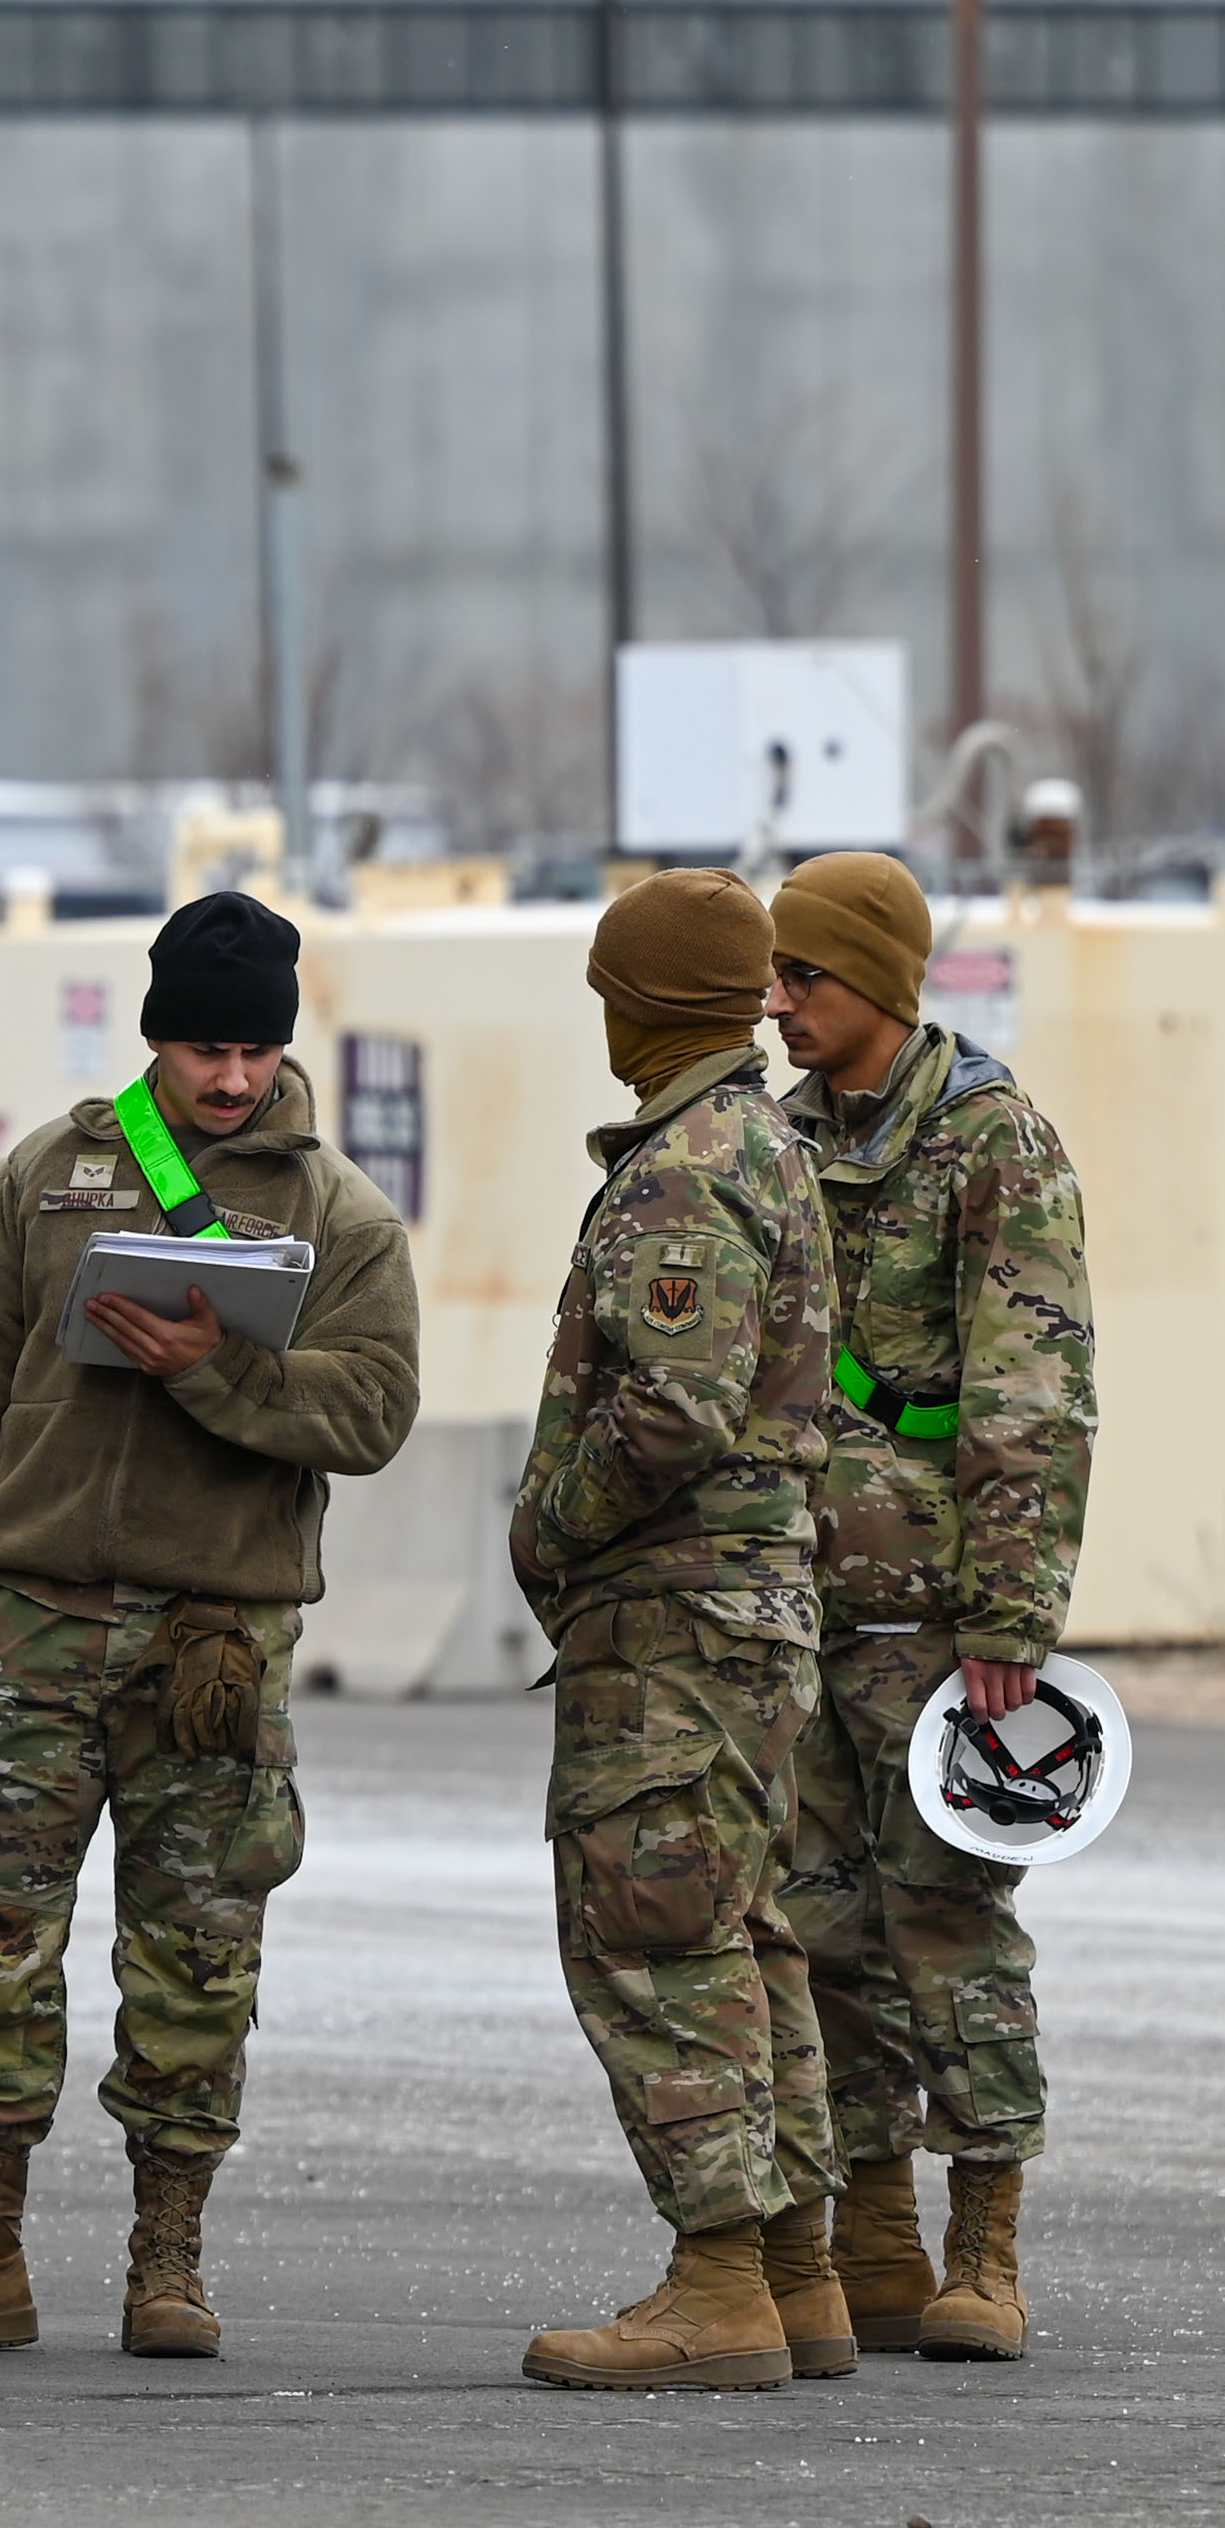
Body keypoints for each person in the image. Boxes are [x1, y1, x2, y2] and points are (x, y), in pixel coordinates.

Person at [0, 888, 421, 2360]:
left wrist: (213, 1370)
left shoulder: (336, 1215)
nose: (228, 1076)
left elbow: (370, 1411)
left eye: (251, 1049)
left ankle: (166, 2261)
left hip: (207, 1649)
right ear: (153, 1038)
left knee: (193, 1958)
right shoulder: (45, 1179)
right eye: (201, 1047)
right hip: (29, 1622)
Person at [762, 850, 1091, 2364]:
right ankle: (873, 2232)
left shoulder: (988, 1144)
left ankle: (983, 2244)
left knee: (947, 1925)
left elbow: (1032, 1393)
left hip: (938, 1624)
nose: (775, 1005)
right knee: (818, 1927)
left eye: (802, 979)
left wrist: (1009, 1625)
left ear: (879, 987)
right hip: (799, 1609)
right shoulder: (780, 1141)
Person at [512, 867, 838, 2389]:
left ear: (637, 1001)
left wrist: (546, 1523)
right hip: (746, 1612)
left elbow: (671, 1403)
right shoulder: (763, 1141)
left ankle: (717, 2286)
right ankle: (794, 2271)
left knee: (650, 1936)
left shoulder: (684, 1161)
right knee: (740, 1927)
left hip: (673, 1617)